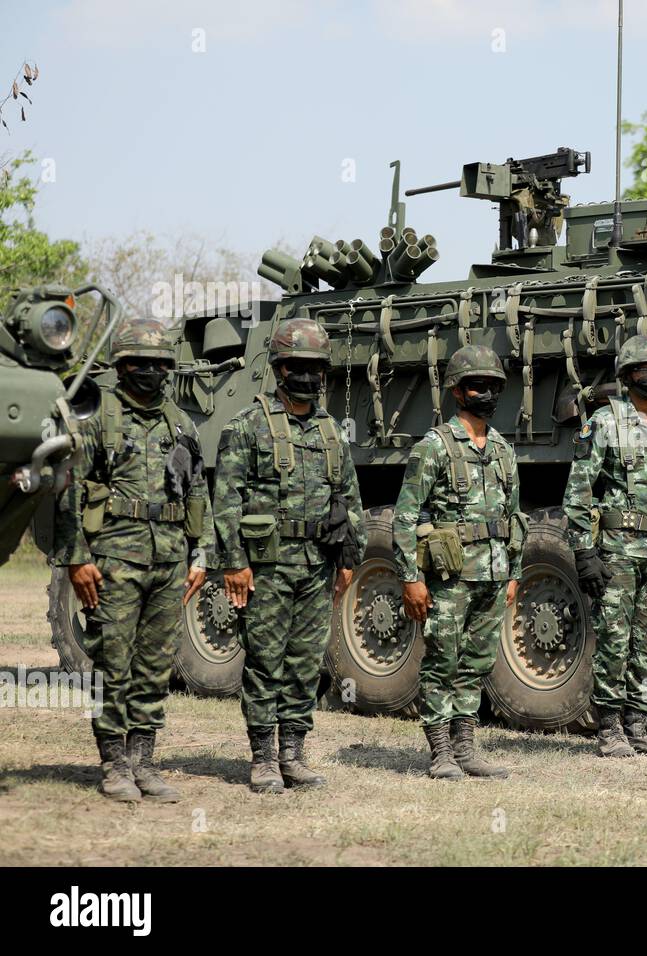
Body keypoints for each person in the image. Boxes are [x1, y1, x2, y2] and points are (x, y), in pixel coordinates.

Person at [53, 316, 213, 802]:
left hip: (169, 562)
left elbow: (197, 488)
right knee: (112, 663)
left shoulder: (179, 421)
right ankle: (114, 763)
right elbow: (69, 491)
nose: (150, 371)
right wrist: (76, 560)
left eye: (159, 364)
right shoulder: (101, 418)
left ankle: (143, 761)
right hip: (113, 562)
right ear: (121, 367)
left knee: (155, 665)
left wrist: (200, 552)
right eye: (139, 363)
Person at [212, 317, 364, 793]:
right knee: (265, 662)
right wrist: (235, 563)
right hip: (267, 569)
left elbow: (350, 500)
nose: (308, 376)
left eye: (315, 368)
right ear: (279, 368)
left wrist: (346, 559)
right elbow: (227, 501)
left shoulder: (331, 432)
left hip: (317, 568)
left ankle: (293, 753)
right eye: (297, 366)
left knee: (303, 663)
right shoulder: (248, 425)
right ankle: (262, 758)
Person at [393, 344, 525, 781]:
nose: (485, 393)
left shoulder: (504, 450)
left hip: (493, 573)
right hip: (450, 578)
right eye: (476, 386)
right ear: (457, 391)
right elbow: (406, 516)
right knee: (442, 661)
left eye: (492, 386)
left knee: (476, 662)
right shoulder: (434, 447)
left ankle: (467, 748)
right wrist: (411, 579)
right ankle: (441, 752)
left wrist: (515, 572)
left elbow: (514, 518)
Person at [562, 334, 647, 758]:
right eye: (642, 370)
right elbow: (579, 491)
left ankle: (638, 724)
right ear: (627, 376)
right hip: (618, 552)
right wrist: (584, 552)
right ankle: (609, 729)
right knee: (614, 641)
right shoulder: (603, 422)